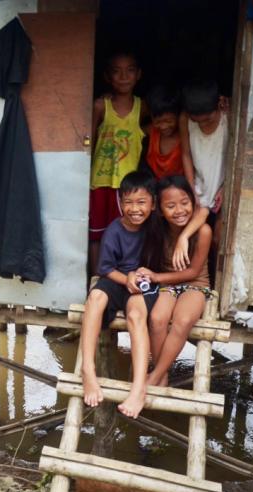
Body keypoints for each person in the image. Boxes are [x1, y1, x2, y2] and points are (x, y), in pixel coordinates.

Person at [81, 170, 158, 419]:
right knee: (95, 298)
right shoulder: (115, 229)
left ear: (153, 203)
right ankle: (88, 370)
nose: (134, 209)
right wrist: (127, 279)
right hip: (118, 279)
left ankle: (138, 388)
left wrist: (140, 278)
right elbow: (104, 268)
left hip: (144, 285)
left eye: (141, 202)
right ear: (120, 202)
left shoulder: (156, 228)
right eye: (128, 202)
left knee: (136, 315)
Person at [128, 176, 212, 388]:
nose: (179, 210)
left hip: (196, 285)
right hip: (168, 286)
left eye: (185, 203)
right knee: (157, 319)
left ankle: (156, 375)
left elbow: (193, 272)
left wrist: (157, 277)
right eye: (171, 206)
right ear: (160, 209)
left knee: (182, 321)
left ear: (193, 202)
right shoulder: (159, 229)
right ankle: (162, 375)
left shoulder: (203, 232)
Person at [88, 51, 147, 274]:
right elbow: (89, 143)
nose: (123, 77)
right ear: (107, 76)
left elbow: (158, 129)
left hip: (127, 186)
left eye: (130, 70)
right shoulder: (101, 106)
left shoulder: (143, 108)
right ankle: (96, 278)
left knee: (125, 232)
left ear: (139, 75)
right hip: (100, 182)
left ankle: (121, 278)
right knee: (97, 235)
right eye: (116, 71)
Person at [172, 80, 228, 273]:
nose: (202, 124)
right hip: (199, 182)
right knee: (195, 233)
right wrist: (190, 187)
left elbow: (238, 155)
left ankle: (215, 280)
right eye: (198, 121)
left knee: (219, 238)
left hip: (222, 183)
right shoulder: (185, 118)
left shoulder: (229, 115)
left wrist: (226, 186)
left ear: (219, 104)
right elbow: (186, 153)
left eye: (208, 119)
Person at [138, 85, 193, 184]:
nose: (163, 126)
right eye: (158, 122)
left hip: (179, 190)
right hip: (154, 187)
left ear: (178, 115)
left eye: (168, 121)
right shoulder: (151, 131)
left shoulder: (186, 135)